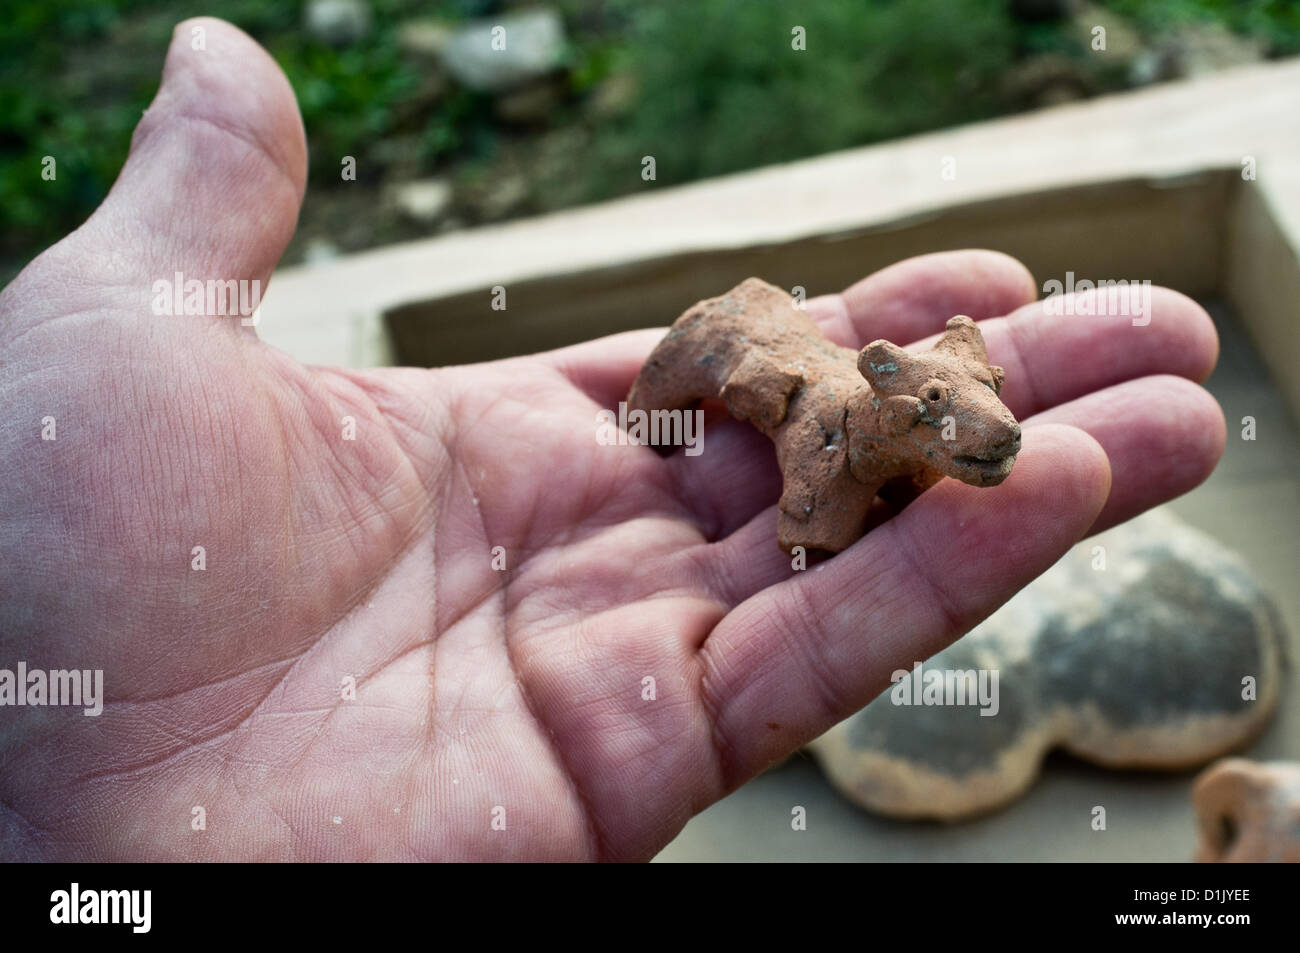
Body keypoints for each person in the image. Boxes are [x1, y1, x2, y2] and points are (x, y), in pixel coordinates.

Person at [0, 19, 1225, 861]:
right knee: (718, 388)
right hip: (733, 343)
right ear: (893, 389)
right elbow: (808, 536)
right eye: (950, 426)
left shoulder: (916, 419)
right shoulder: (834, 449)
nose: (982, 436)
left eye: (971, 423)